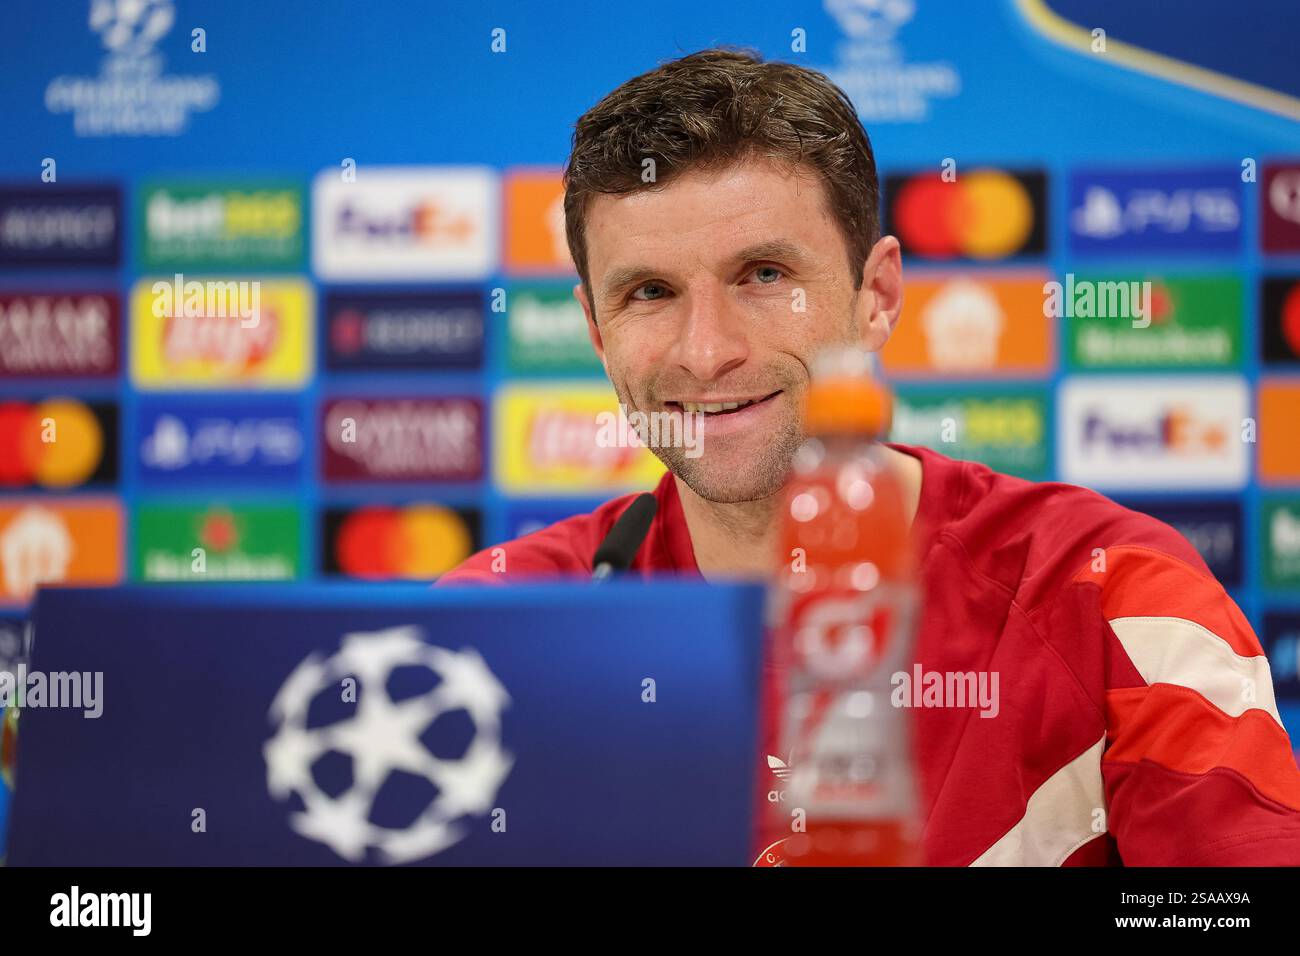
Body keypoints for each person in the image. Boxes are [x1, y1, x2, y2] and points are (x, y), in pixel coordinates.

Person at [440, 49, 1300, 865]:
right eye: (651, 293)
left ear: (878, 295)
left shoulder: (1114, 592)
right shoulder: (492, 631)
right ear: (596, 329)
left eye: (765, 275)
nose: (705, 353)